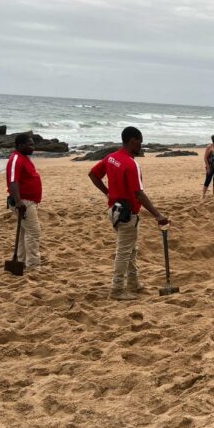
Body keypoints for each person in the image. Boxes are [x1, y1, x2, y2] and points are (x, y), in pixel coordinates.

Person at [89, 127, 169, 300]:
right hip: (127, 213)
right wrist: (158, 215)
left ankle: (133, 283)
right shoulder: (131, 164)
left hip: (114, 210)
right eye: (140, 142)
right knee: (124, 251)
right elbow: (139, 193)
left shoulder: (111, 158)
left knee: (131, 249)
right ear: (133, 140)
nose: (141, 145)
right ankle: (117, 289)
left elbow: (93, 174)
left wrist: (108, 193)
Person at [6, 135, 42, 272]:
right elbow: (13, 181)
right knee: (34, 232)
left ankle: (22, 262)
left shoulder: (24, 157)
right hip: (24, 202)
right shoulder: (16, 159)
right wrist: (19, 201)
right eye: (30, 145)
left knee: (24, 233)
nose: (33, 147)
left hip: (29, 201)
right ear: (20, 145)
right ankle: (33, 265)